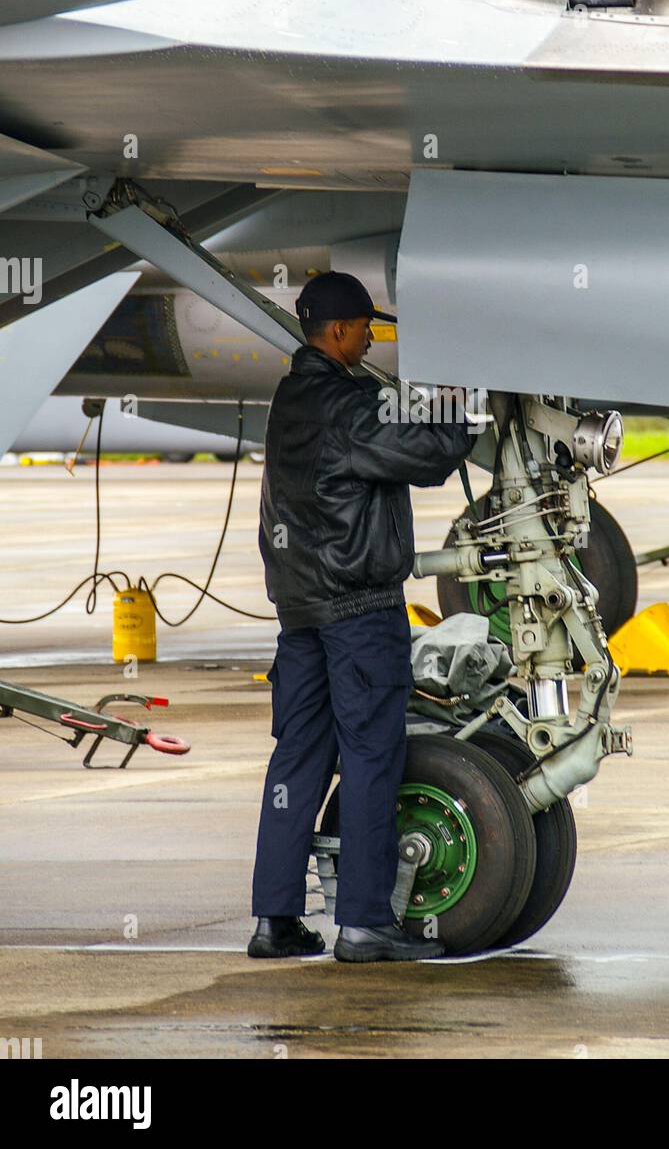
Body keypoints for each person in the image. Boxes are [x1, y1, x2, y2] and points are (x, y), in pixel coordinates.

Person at [248, 271, 478, 962]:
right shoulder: (346, 404)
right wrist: (461, 408)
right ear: (341, 330)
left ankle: (275, 919)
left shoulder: (291, 397)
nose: (374, 337)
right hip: (357, 610)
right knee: (373, 759)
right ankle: (364, 925)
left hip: (300, 611)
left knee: (298, 761)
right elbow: (430, 456)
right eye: (368, 327)